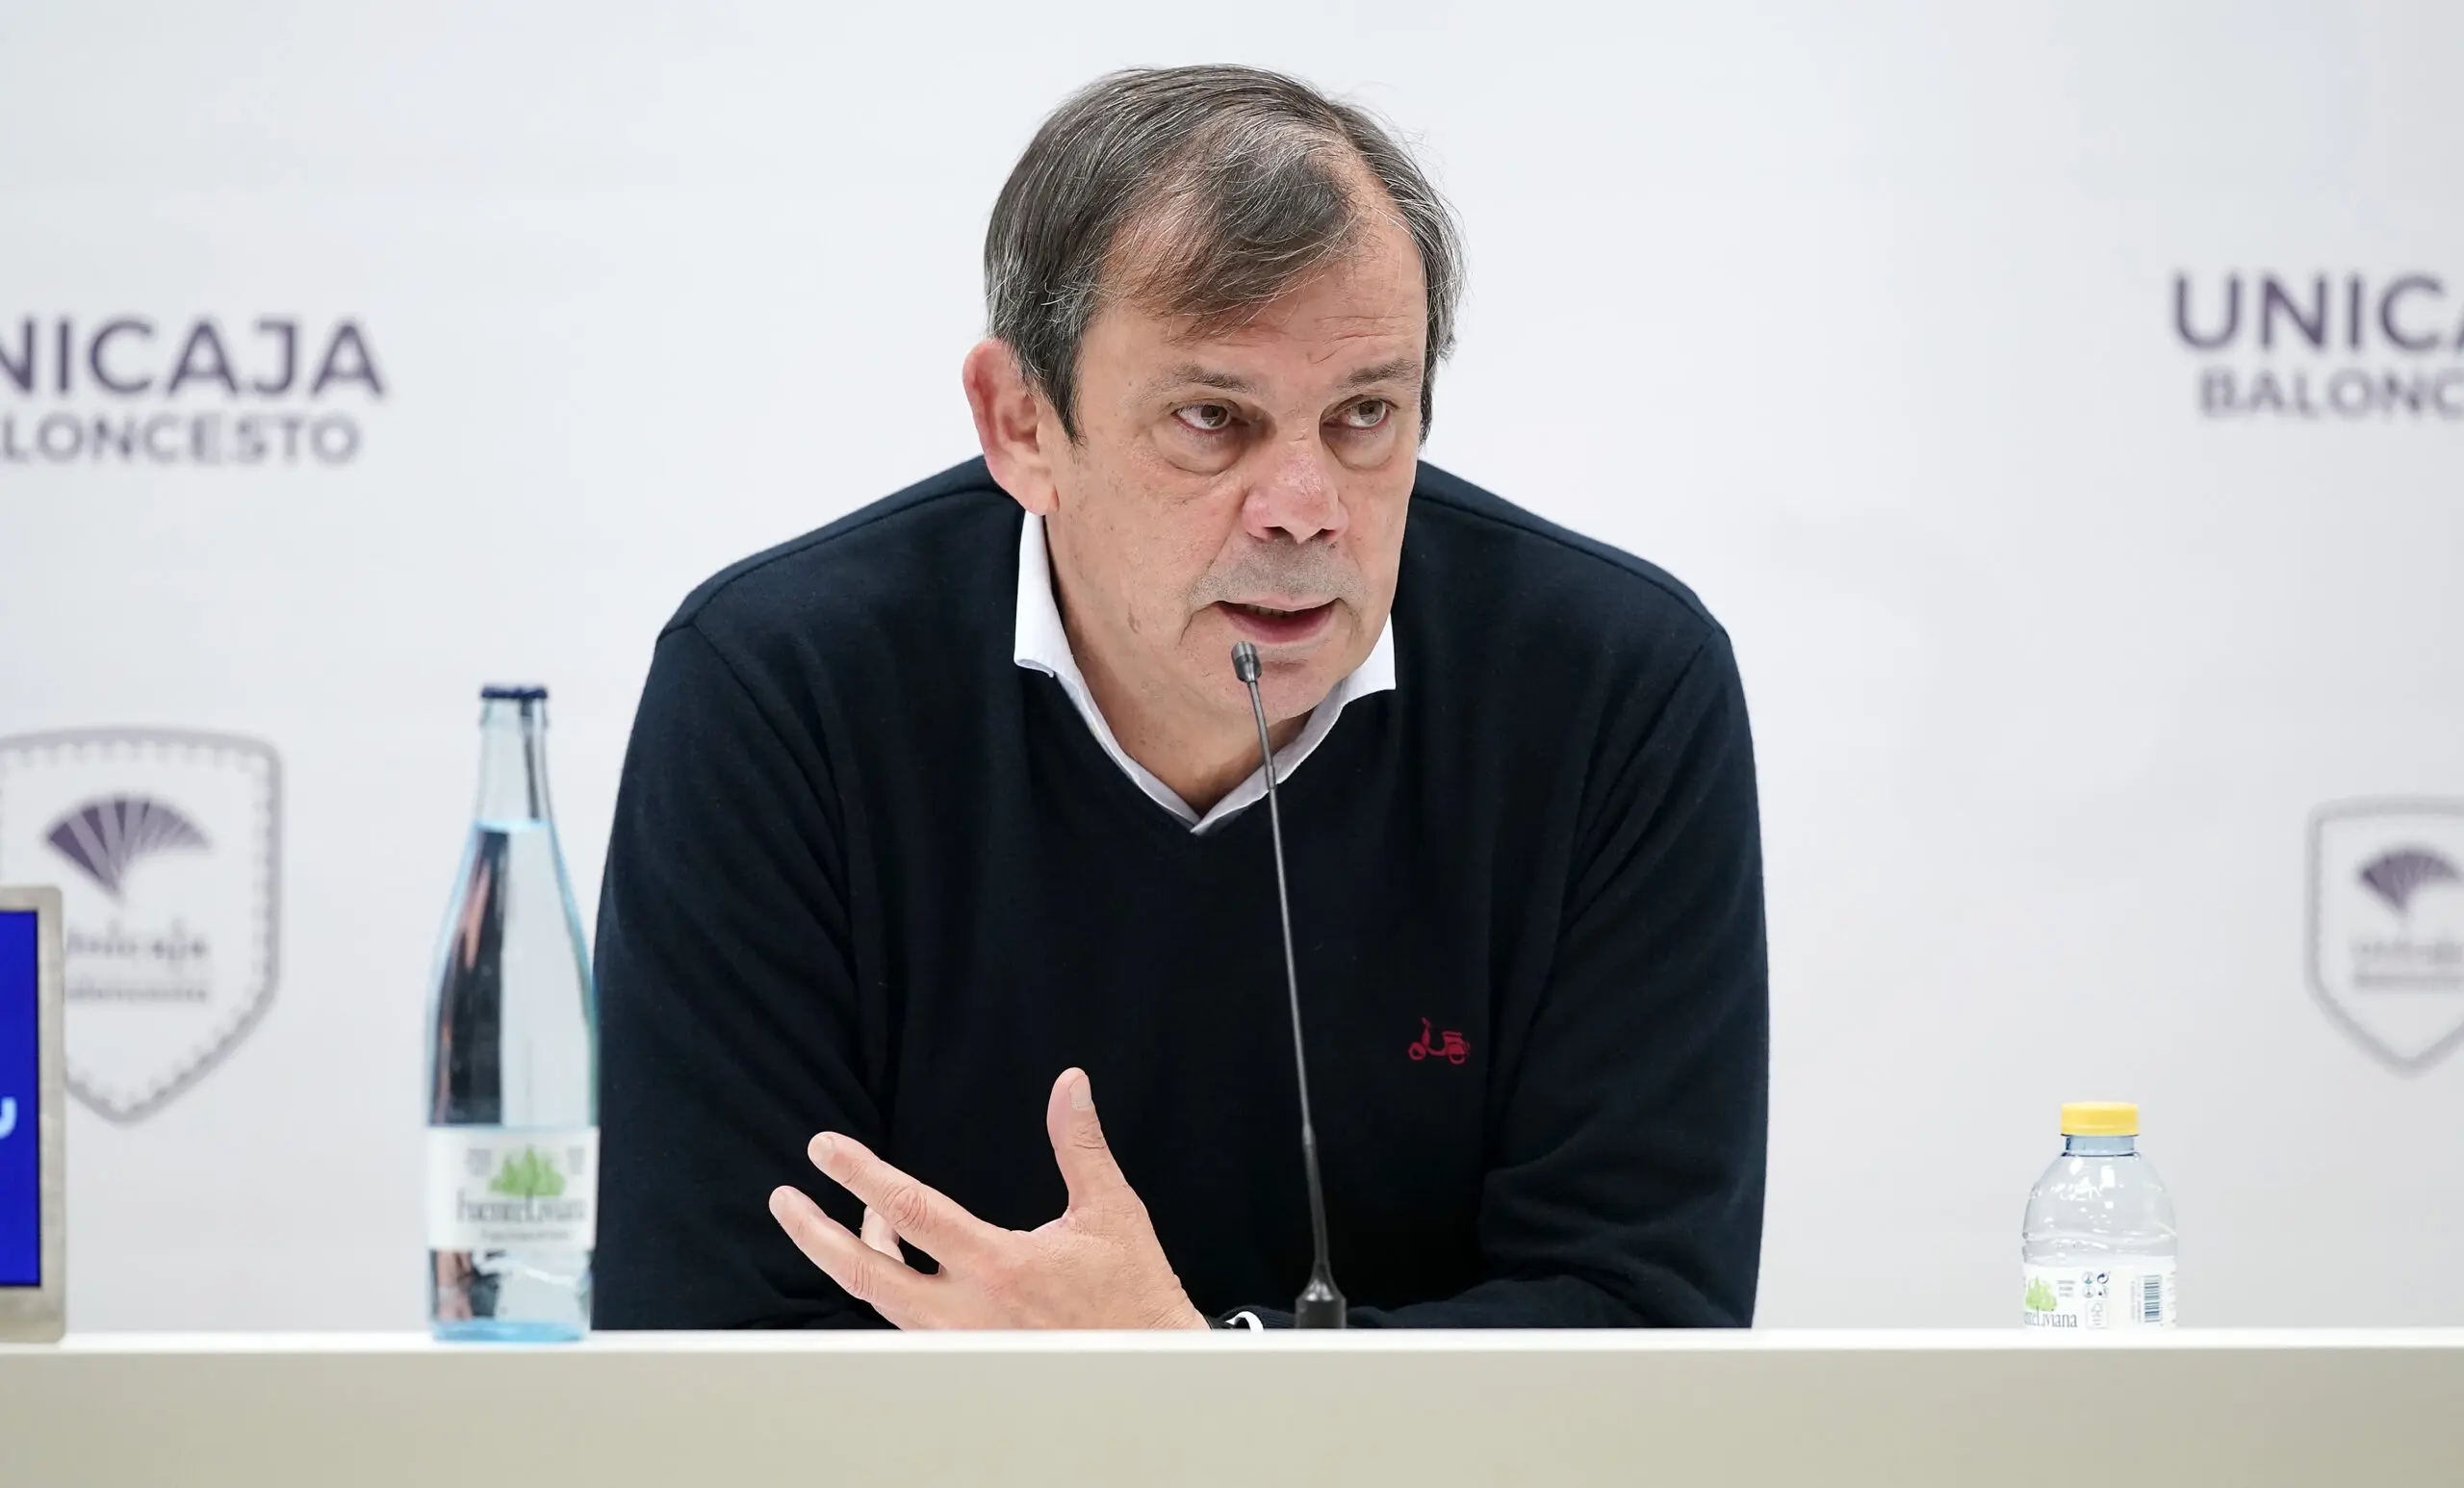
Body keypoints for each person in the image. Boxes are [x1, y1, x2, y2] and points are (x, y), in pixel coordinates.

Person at [593, 64, 1767, 1330]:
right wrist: (1154, 1402)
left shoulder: (1617, 697)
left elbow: (1643, 1329)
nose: (1305, 508)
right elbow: (699, 1339)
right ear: (1023, 423)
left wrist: (1189, 1374)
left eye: (1366, 414)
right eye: (1214, 418)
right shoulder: (780, 697)